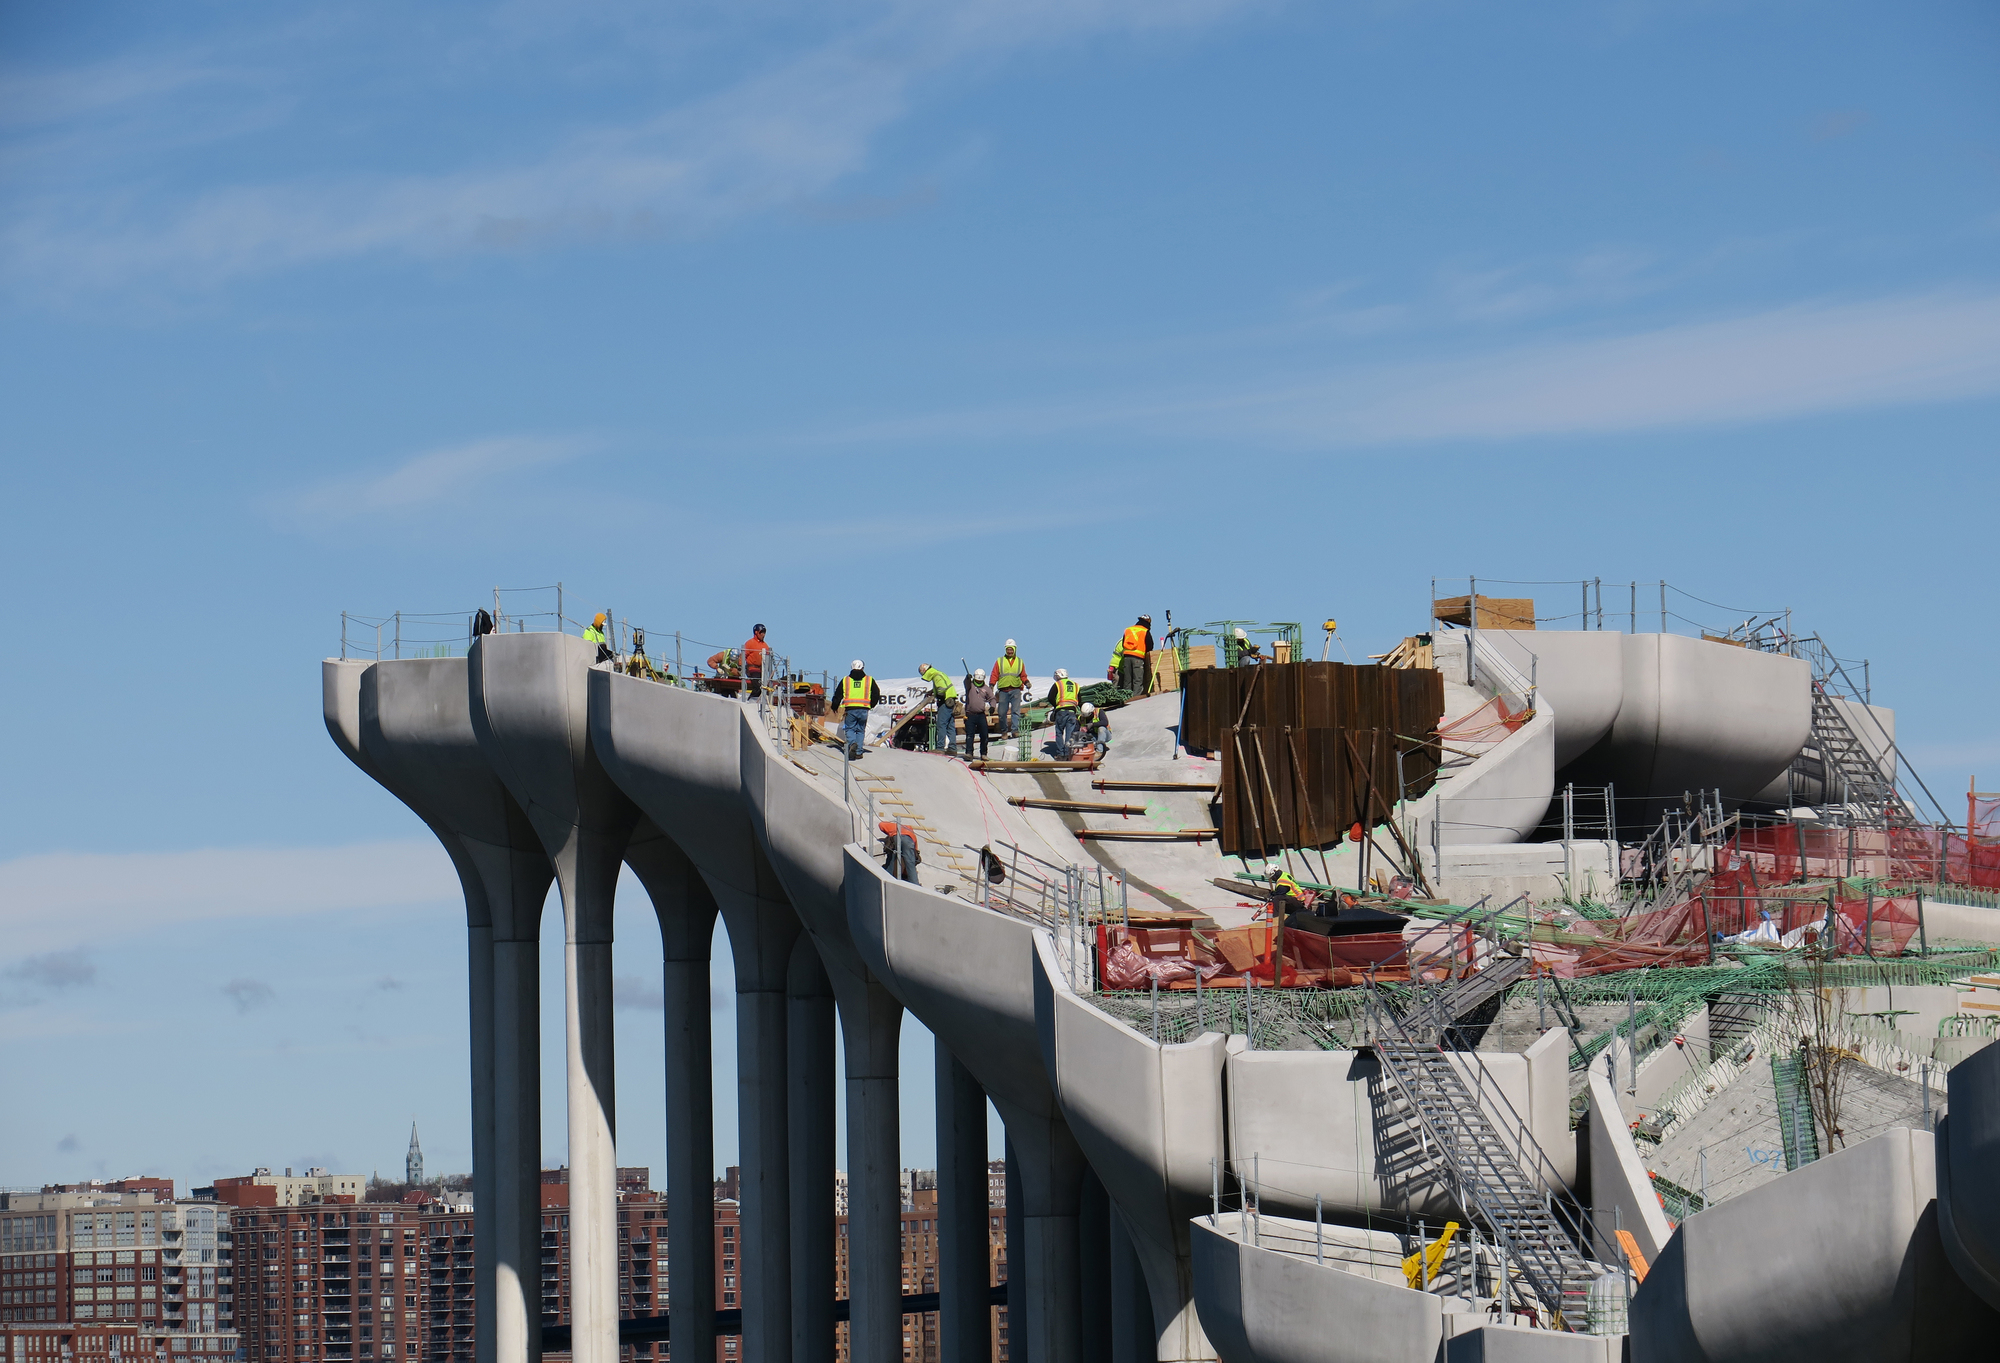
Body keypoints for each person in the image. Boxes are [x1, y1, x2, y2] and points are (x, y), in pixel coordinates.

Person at [835, 660, 881, 760]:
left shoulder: (846, 680)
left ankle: (852, 744)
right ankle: (859, 752)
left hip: (850, 709)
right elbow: (876, 693)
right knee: (860, 730)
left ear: (851, 667)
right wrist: (871, 705)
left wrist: (834, 706)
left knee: (850, 729)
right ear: (863, 667)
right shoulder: (869, 680)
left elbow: (838, 694)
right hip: (864, 709)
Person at [990, 640, 1029, 741]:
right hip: (1003, 690)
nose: (1010, 651)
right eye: (1008, 649)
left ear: (1015, 649)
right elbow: (995, 673)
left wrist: (1026, 682)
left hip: (1015, 689)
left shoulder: (1019, 661)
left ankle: (1015, 731)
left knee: (1015, 712)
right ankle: (1004, 731)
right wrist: (991, 684)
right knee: (1002, 713)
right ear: (1005, 649)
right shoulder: (1000, 661)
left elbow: (1023, 675)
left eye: (1011, 649)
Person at [919, 662, 959, 754]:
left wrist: (937, 696)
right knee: (950, 726)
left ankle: (940, 747)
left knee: (941, 725)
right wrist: (932, 691)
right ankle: (952, 748)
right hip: (950, 701)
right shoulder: (939, 674)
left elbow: (942, 688)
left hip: (945, 702)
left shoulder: (936, 676)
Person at [1112, 615, 1153, 692]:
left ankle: (1127, 696)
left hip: (1127, 658)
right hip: (1138, 658)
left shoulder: (1128, 630)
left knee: (1127, 681)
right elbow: (1150, 646)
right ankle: (1135, 698)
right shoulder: (1144, 631)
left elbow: (1123, 643)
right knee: (1137, 680)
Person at [1046, 668, 1080, 757]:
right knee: (1070, 734)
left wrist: (1055, 706)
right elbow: (1080, 699)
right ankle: (1068, 754)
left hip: (1061, 711)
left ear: (1058, 676)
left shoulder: (1058, 684)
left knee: (1059, 732)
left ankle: (1061, 754)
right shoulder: (1076, 685)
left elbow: (1050, 697)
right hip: (1072, 712)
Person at [963, 668, 996, 760]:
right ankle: (969, 753)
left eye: (980, 681)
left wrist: (993, 706)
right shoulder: (970, 686)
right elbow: (966, 683)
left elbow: (992, 698)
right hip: (970, 714)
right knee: (970, 735)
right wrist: (967, 678)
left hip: (981, 715)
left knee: (984, 735)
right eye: (977, 680)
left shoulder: (986, 689)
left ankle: (983, 753)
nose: (978, 682)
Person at [740, 623, 772, 700]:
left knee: (765, 687)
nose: (763, 635)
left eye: (764, 633)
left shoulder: (765, 645)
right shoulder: (750, 643)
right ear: (756, 632)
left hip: (762, 670)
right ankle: (750, 700)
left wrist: (769, 669)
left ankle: (758, 701)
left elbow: (768, 658)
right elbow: (743, 656)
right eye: (761, 632)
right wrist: (740, 667)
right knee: (758, 686)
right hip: (752, 669)